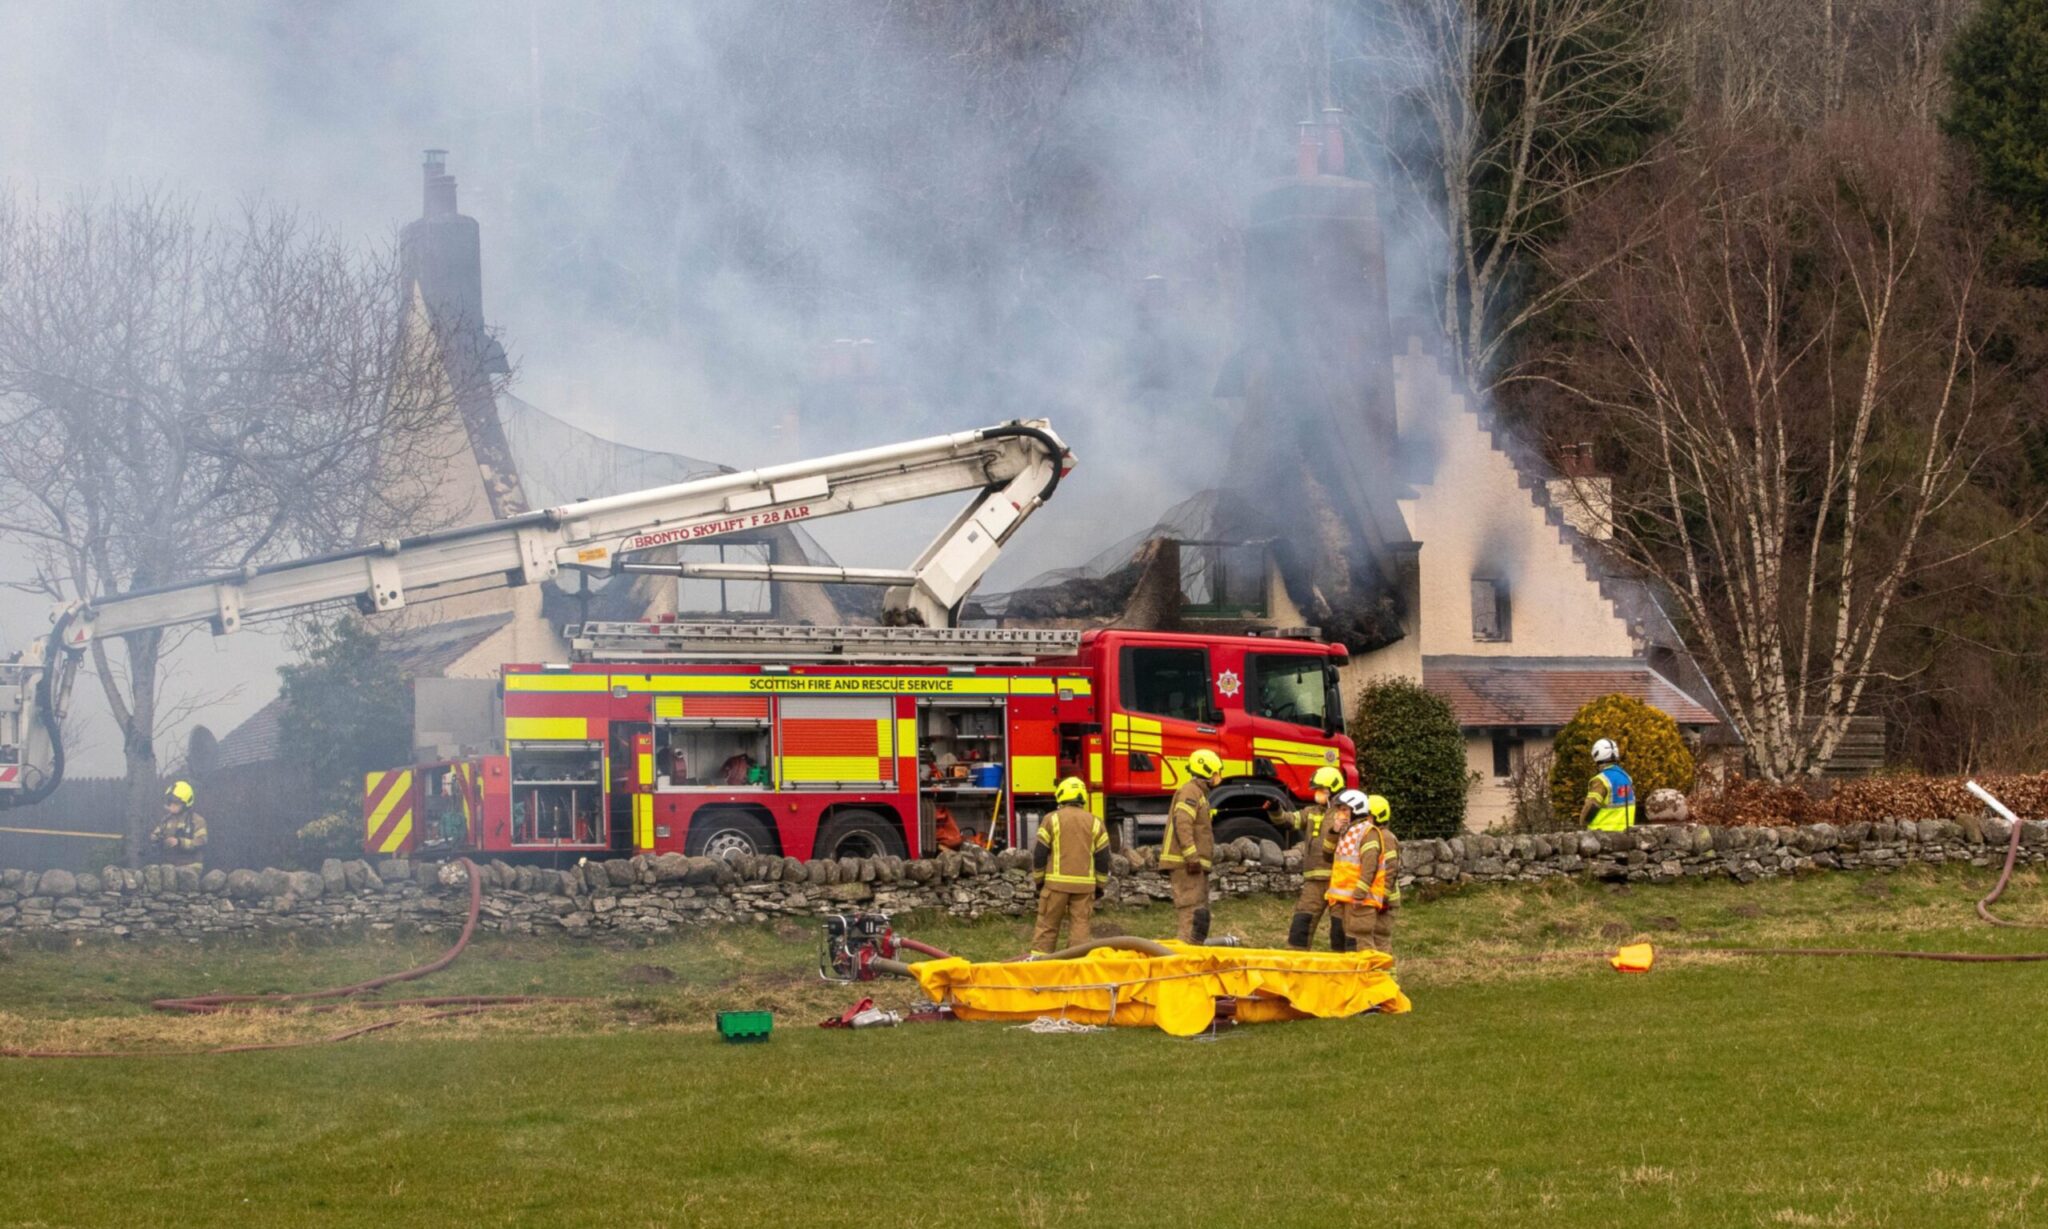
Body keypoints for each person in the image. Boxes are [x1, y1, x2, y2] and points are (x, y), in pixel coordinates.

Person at [1029, 777, 1111, 956]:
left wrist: (1038, 881)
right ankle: (1076, 967)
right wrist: (1100, 886)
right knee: (1080, 928)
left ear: (1061, 795)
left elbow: (1040, 853)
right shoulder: (1096, 822)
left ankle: (1039, 967)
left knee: (1047, 926)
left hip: (1055, 886)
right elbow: (1104, 858)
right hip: (1084, 887)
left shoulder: (1051, 819)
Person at [1270, 765, 1345, 950]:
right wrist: (1275, 809)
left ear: (1333, 789)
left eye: (1321, 790)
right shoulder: (1311, 812)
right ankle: (1295, 963)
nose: (1317, 794)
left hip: (1339, 880)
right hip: (1314, 881)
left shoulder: (1345, 815)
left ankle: (1343, 967)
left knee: (1340, 928)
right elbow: (1287, 820)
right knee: (1302, 923)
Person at [1159, 748, 1221, 943]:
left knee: (1199, 914)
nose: (1218, 778)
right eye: (1216, 773)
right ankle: (1185, 957)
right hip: (1186, 864)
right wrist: (1192, 857)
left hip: (1192, 864)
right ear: (1207, 771)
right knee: (1191, 913)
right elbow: (1183, 823)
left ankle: (1194, 953)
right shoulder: (1190, 792)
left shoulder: (1197, 794)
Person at [1324, 789, 1396, 954]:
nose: (1340, 814)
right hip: (1342, 899)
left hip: (1360, 901)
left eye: (1344, 810)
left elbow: (1370, 867)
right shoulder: (1345, 831)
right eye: (1339, 809)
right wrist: (1333, 831)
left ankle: (1372, 978)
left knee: (1360, 944)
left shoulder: (1368, 833)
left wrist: (1359, 894)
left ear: (1356, 810)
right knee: (1342, 943)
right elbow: (1327, 855)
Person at [1578, 738, 1636, 832]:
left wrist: (1582, 822)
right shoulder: (1627, 777)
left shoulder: (1601, 780)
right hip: (1626, 834)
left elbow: (1590, 807)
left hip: (1602, 835)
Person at [151, 780, 208, 867]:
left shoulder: (196, 820)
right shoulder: (166, 820)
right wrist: (157, 839)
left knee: (184, 875)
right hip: (168, 866)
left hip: (190, 866)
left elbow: (201, 842)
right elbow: (155, 835)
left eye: (176, 802)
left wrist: (179, 842)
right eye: (170, 802)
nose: (172, 805)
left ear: (186, 803)